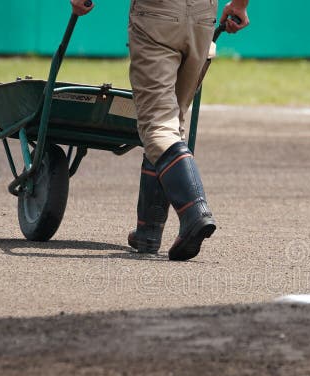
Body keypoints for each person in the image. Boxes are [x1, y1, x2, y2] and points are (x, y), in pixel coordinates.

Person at [70, 0, 250, 260]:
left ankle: (194, 213)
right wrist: (240, 5)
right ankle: (148, 230)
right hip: (202, 16)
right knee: (171, 122)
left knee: (158, 126)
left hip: (157, 14)